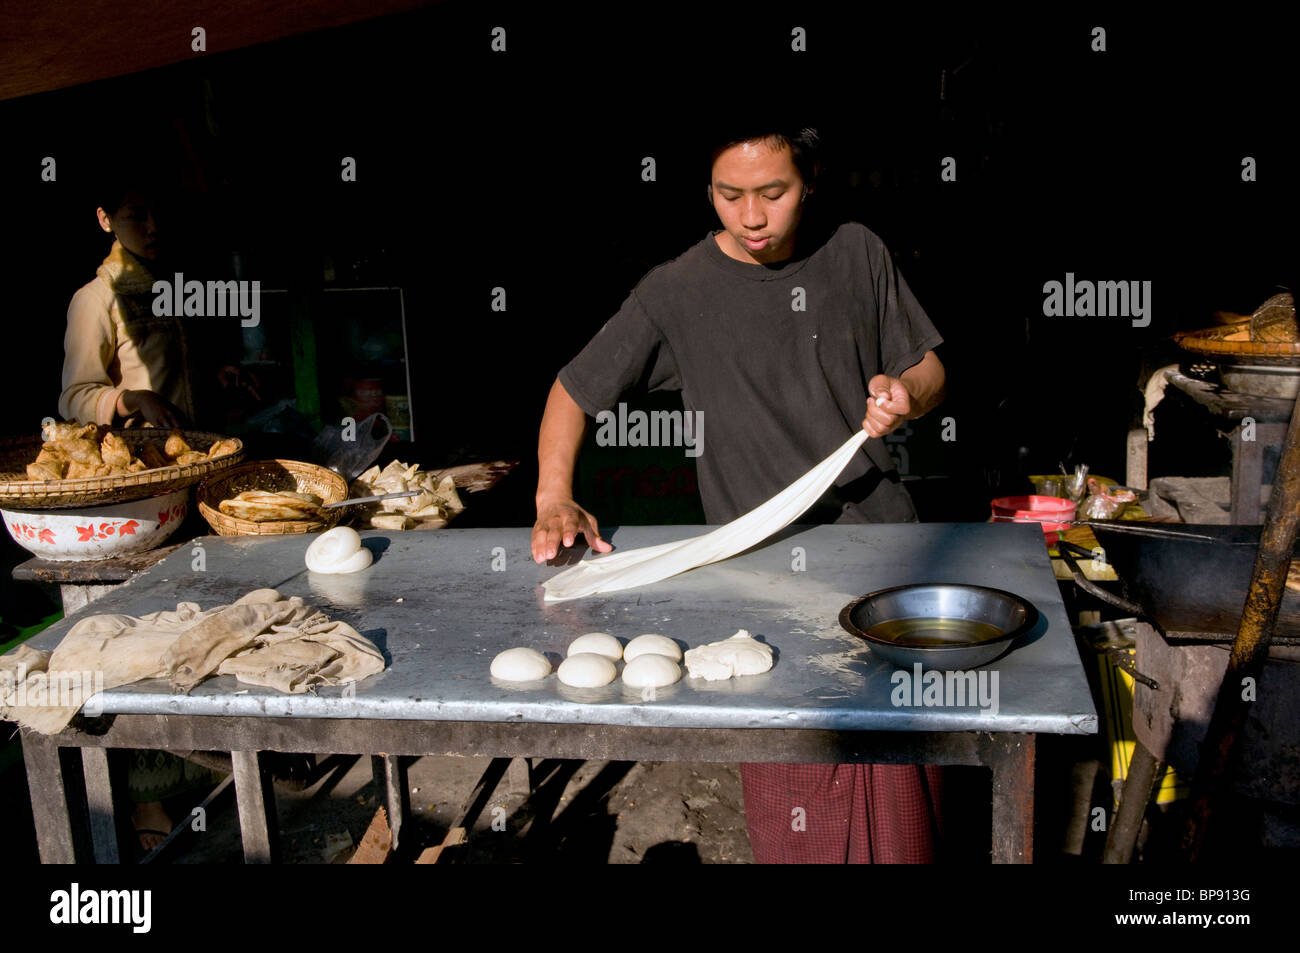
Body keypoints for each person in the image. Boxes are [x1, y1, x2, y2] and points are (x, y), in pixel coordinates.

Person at [531, 127, 948, 862]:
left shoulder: (855, 252)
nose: (751, 216)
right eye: (730, 196)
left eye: (773, 193)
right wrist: (553, 495)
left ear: (811, 179)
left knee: (901, 774)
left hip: (880, 551)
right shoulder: (676, 291)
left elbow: (927, 365)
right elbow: (574, 388)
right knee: (796, 775)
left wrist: (905, 393)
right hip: (758, 574)